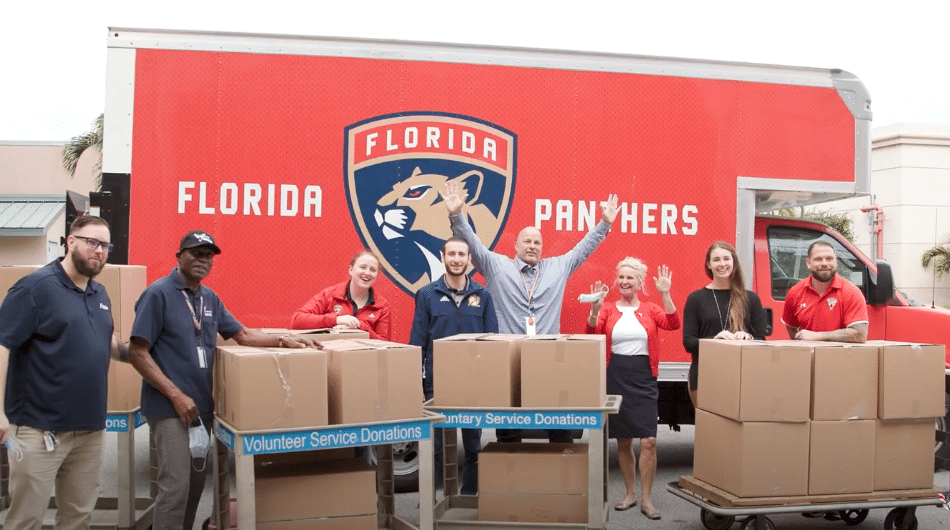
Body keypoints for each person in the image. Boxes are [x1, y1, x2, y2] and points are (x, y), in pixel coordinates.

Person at [129, 230, 318, 530]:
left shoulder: (209, 298)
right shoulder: (158, 293)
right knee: (175, 488)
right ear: (179, 256)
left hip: (201, 410)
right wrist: (176, 396)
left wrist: (284, 339)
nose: (203, 260)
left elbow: (242, 335)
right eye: (196, 253)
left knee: (193, 488)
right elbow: (138, 352)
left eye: (208, 255)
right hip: (168, 408)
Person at [441, 181, 619, 443]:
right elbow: (474, 246)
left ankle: (562, 479)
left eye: (537, 242)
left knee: (559, 429)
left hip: (547, 360)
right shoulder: (495, 265)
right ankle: (510, 477)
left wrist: (604, 224)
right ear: (516, 245)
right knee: (508, 430)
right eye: (527, 241)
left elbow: (583, 249)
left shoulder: (558, 267)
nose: (532, 245)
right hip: (507, 360)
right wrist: (457, 215)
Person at [0, 215, 131, 530]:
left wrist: (140, 353)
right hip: (37, 430)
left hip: (89, 430)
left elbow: (103, 341)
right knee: (25, 519)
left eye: (106, 245)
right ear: (70, 242)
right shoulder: (34, 288)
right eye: (92, 242)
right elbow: (2, 346)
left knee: (77, 518)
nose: (99, 251)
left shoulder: (99, 294)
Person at [584, 257, 678, 520]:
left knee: (649, 441)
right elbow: (591, 335)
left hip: (644, 376)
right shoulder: (608, 309)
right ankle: (630, 494)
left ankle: (647, 499)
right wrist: (594, 310)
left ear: (639, 282)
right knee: (623, 440)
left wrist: (665, 293)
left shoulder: (649, 308)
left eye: (630, 277)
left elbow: (673, 324)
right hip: (616, 375)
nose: (625, 282)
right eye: (621, 277)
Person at [409, 237, 498, 495]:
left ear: (469, 259)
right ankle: (433, 502)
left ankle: (470, 497)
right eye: (452, 254)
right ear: (442, 257)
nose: (457, 259)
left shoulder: (483, 296)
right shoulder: (426, 295)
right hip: (435, 385)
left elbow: (492, 343)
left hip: (473, 385)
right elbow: (418, 342)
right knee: (434, 447)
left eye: (461, 254)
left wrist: (490, 385)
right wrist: (417, 385)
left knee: (473, 446)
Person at [682, 241, 767, 407]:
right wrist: (714, 340)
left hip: (742, 377)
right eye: (716, 260)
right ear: (709, 264)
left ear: (733, 261)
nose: (722, 264)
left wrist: (748, 337)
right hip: (705, 375)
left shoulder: (752, 299)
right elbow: (688, 342)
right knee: (710, 431)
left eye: (726, 259)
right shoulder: (696, 299)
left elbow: (761, 340)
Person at [291, 250, 392, 340]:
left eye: (373, 270)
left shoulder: (381, 306)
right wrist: (336, 319)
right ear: (351, 270)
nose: (367, 273)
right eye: (363, 267)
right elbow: (297, 320)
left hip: (365, 359)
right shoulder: (330, 295)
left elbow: (385, 343)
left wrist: (359, 326)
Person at [782, 240, 869, 343]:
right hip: (807, 357)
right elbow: (791, 328)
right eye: (818, 259)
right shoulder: (795, 292)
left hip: (842, 357)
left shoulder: (852, 293)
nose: (824, 263)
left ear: (835, 261)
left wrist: (817, 336)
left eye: (829, 259)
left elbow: (859, 335)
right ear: (808, 263)